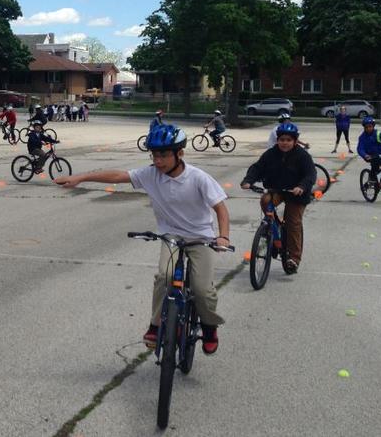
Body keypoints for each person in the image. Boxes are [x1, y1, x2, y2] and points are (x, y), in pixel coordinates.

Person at [54, 124, 231, 354]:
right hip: (172, 236)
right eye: (154, 155)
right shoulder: (150, 174)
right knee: (165, 277)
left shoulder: (198, 178)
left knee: (201, 289)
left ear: (180, 154)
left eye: (164, 155)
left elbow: (221, 209)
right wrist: (81, 177)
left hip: (201, 238)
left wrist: (223, 236)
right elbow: (117, 175)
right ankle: (155, 326)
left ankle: (209, 327)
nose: (158, 161)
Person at [241, 122, 315, 274]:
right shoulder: (271, 153)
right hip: (277, 190)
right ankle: (272, 227)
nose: (285, 143)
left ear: (295, 141)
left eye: (288, 140)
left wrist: (301, 186)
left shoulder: (302, 155)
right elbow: (257, 167)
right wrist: (248, 180)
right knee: (266, 200)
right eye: (282, 140)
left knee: (293, 222)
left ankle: (293, 258)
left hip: (296, 193)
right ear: (277, 140)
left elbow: (310, 174)